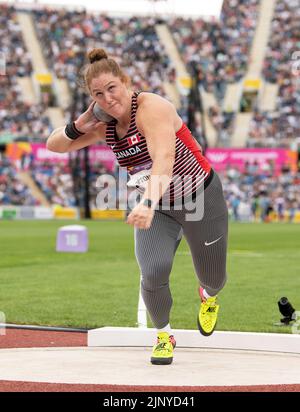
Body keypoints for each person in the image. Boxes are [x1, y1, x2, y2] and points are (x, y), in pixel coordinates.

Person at [47, 48, 228, 365]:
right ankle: (164, 335)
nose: (107, 98)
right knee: (152, 272)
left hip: (199, 196)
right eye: (98, 94)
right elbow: (56, 146)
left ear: (126, 82)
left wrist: (145, 202)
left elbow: (164, 160)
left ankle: (208, 297)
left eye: (112, 88)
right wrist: (80, 123)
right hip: (158, 208)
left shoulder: (152, 108)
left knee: (213, 277)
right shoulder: (103, 124)